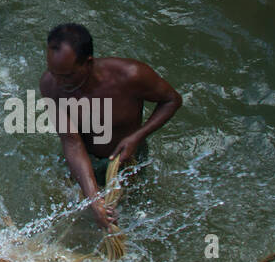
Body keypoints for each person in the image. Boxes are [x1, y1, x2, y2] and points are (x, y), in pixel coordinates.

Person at [38, 22, 182, 232]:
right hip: (84, 157)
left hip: (126, 158)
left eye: (67, 76)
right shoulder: (50, 85)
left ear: (88, 63)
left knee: (133, 217)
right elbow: (71, 141)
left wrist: (137, 137)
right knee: (75, 217)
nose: (59, 82)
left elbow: (172, 100)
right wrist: (94, 199)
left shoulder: (131, 75)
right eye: (54, 73)